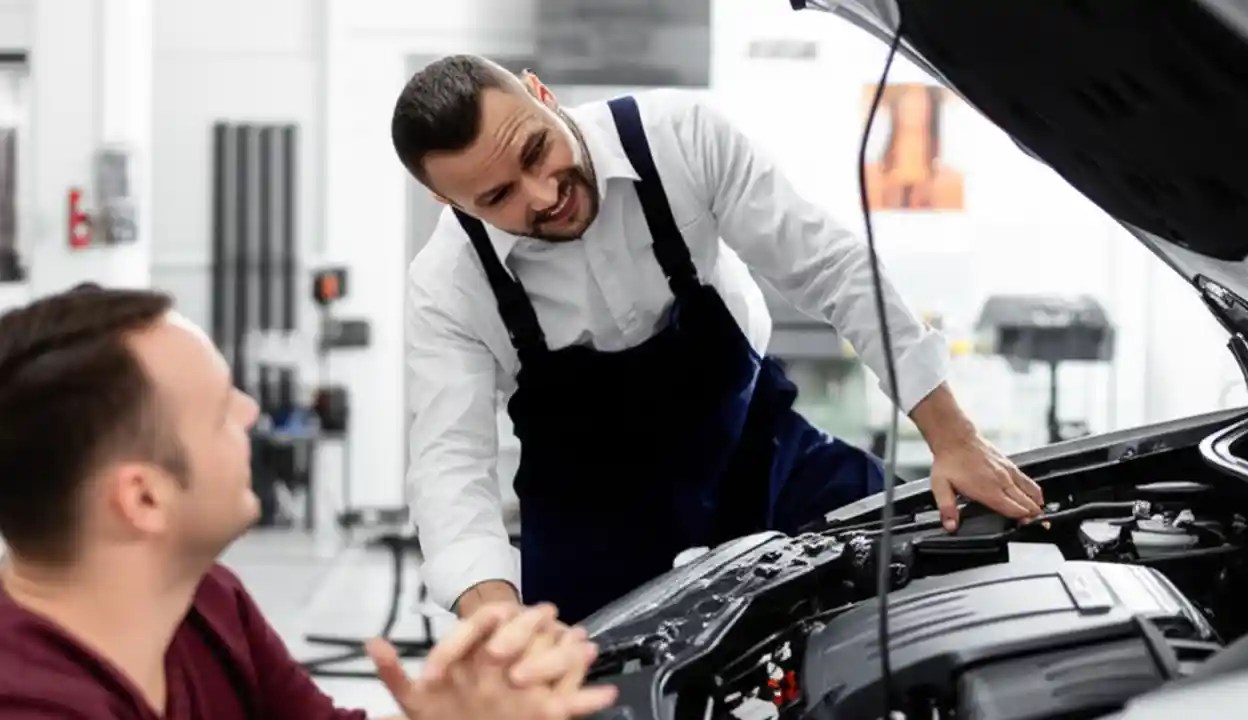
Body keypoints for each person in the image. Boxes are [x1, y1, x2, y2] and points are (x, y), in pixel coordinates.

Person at [392, 55, 1045, 624]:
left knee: (922, 552)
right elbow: (450, 466)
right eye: (499, 195)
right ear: (447, 200)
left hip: (751, 451)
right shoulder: (449, 283)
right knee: (585, 689)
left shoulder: (679, 139)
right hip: (591, 512)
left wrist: (952, 438)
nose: (544, 194)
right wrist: (497, 621)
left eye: (537, 151)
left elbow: (832, 268)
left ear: (542, 94)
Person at [0, 284, 617, 719]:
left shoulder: (208, 603)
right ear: (143, 498)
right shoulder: (33, 702)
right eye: (221, 411)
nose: (251, 414)